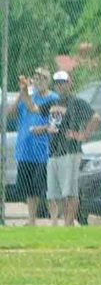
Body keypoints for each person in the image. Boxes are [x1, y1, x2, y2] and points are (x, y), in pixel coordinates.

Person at [27, 71, 98, 226]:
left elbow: (95, 118)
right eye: (58, 83)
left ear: (69, 83)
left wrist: (82, 135)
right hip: (54, 152)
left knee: (70, 192)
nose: (60, 86)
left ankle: (68, 223)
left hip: (70, 152)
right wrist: (24, 90)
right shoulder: (54, 103)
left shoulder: (76, 102)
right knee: (54, 193)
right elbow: (33, 108)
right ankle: (61, 223)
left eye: (63, 83)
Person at [5, 69, 57, 225]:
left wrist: (42, 129)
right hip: (25, 150)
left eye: (43, 77)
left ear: (48, 81)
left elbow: (55, 124)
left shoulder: (53, 98)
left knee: (47, 189)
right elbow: (10, 113)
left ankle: (54, 221)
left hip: (44, 151)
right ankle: (31, 220)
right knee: (30, 190)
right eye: (36, 77)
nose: (39, 80)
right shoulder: (27, 96)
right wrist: (21, 93)